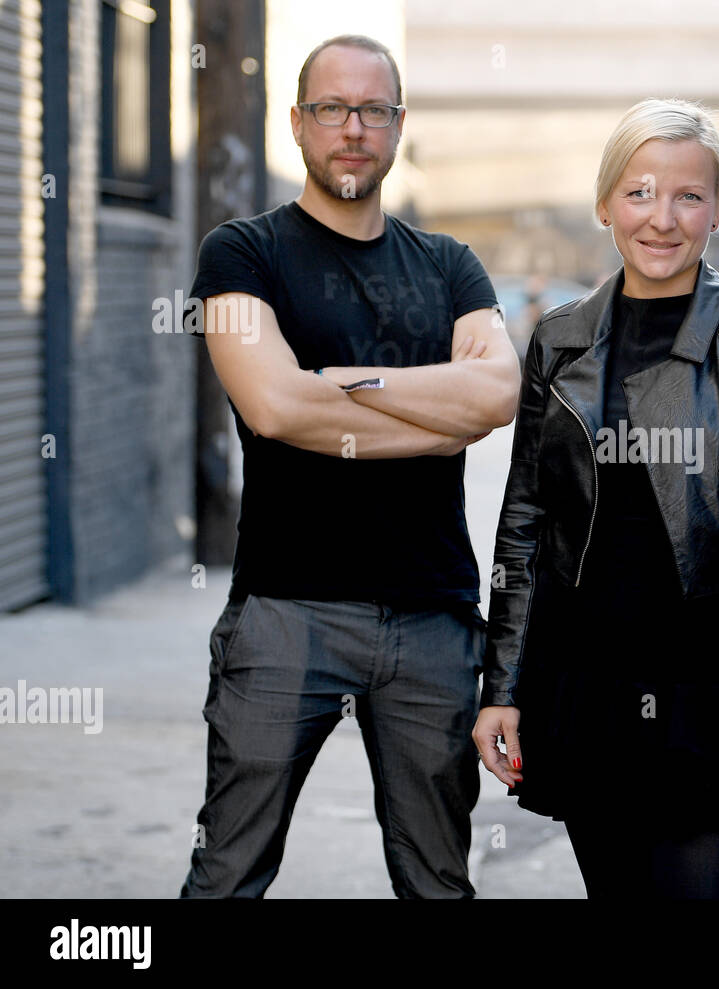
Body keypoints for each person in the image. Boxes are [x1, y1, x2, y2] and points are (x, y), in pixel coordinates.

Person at [180, 35, 519, 898]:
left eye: (373, 109)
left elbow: (495, 398)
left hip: (433, 620)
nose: (353, 129)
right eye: (332, 109)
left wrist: (351, 383)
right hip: (287, 610)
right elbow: (275, 407)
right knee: (228, 874)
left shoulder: (448, 265)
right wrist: (432, 416)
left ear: (398, 125)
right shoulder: (243, 253)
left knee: (439, 881)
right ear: (298, 123)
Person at [471, 99, 719, 899]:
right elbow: (524, 525)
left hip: (710, 681)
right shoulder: (559, 337)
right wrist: (503, 687)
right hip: (588, 681)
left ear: (718, 209)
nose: (662, 218)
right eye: (638, 193)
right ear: (605, 204)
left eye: (687, 196)